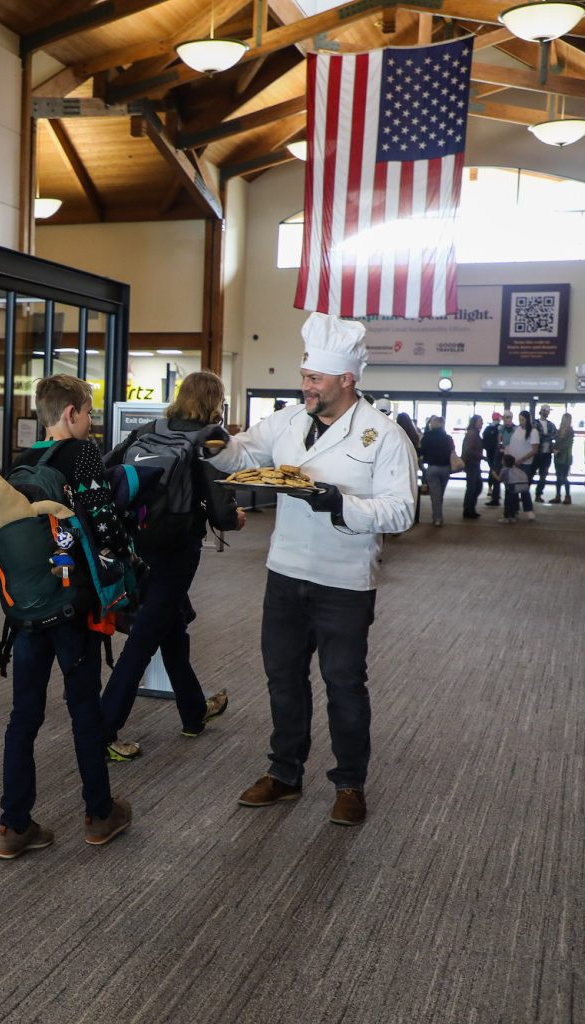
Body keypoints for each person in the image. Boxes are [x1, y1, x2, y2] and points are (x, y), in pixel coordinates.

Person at [211, 313, 417, 828]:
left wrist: (339, 503)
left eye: (315, 378)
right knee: (283, 677)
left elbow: (401, 511)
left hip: (344, 580)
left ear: (346, 379)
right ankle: (284, 772)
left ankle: (350, 783)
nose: (305, 385)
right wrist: (211, 443)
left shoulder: (383, 435)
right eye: (304, 376)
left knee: (343, 682)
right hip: (285, 571)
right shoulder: (287, 420)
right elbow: (241, 453)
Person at [0, 374, 133, 859]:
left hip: (28, 610)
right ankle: (99, 814)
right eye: (89, 413)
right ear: (71, 413)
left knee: (24, 716)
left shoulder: (19, 463)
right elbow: (106, 526)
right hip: (75, 608)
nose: (90, 422)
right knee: (84, 710)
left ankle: (13, 825)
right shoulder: (83, 454)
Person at [99, 371, 238, 762]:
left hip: (138, 540)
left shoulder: (149, 429)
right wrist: (235, 518)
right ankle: (102, 730)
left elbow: (108, 470)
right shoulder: (211, 437)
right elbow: (222, 509)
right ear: (215, 401)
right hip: (178, 545)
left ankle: (193, 712)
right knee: (146, 635)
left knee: (170, 624)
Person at [419, 415, 454, 527]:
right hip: (445, 468)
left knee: (435, 495)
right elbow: (452, 451)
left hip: (432, 467)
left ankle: (437, 518)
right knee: (440, 494)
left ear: (432, 424)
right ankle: (438, 515)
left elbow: (421, 451)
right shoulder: (447, 438)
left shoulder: (427, 437)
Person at [506, 410, 539, 519]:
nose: (521, 422)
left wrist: (522, 459)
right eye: (520, 420)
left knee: (523, 487)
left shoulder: (533, 432)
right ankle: (514, 509)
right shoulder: (517, 430)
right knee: (513, 487)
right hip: (514, 463)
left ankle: (528, 509)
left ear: (528, 420)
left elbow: (534, 450)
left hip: (525, 464)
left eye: (523, 420)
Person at [461, 415, 484, 519]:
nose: (482, 423)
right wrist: (481, 456)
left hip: (473, 463)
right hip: (471, 463)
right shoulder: (472, 434)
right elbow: (469, 450)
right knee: (473, 487)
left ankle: (470, 508)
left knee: (475, 486)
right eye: (480, 421)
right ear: (474, 422)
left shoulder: (474, 433)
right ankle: (468, 509)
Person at [549, 412, 575, 505]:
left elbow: (568, 444)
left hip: (565, 457)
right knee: (558, 477)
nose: (565, 421)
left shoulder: (570, 431)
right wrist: (554, 449)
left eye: (566, 419)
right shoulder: (559, 430)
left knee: (564, 477)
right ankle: (558, 496)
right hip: (558, 457)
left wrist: (558, 450)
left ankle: (568, 496)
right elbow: (555, 441)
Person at [498, 454, 532, 523]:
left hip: (511, 487)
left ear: (504, 462)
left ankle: (507, 517)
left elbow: (500, 479)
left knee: (508, 502)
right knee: (514, 502)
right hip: (521, 486)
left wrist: (494, 474)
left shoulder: (504, 470)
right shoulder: (518, 470)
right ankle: (513, 516)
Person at [533, 405, 557, 500]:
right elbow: (536, 436)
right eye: (546, 411)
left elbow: (555, 435)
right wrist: (547, 436)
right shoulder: (535, 423)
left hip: (547, 454)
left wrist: (545, 436)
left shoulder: (551, 424)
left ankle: (538, 494)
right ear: (542, 411)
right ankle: (524, 493)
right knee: (531, 474)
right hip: (536, 453)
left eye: (548, 411)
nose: (547, 413)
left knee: (543, 476)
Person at [482, 413, 505, 508]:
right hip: (497, 454)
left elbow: (484, 441)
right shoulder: (500, 428)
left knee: (492, 471)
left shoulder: (487, 429)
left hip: (490, 453)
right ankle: (495, 493)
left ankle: (491, 489)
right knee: (496, 472)